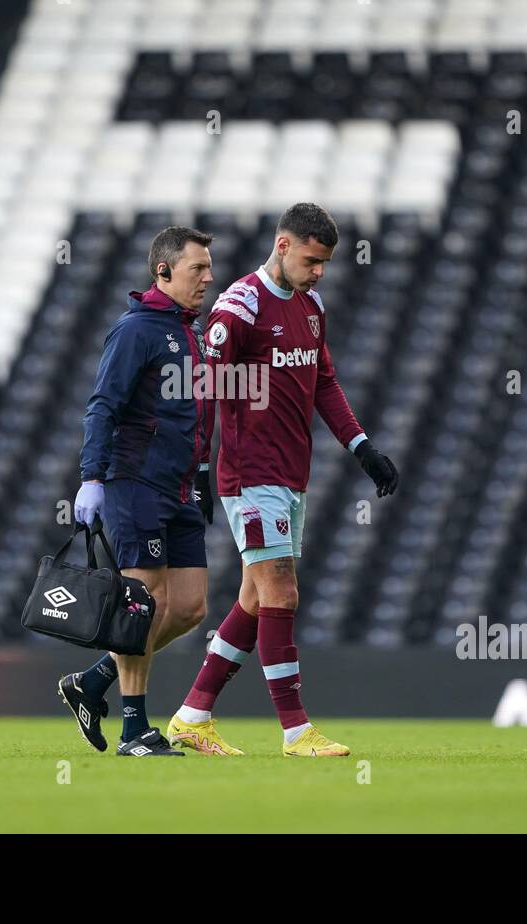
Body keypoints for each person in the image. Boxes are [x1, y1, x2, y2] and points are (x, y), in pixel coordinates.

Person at [166, 202, 399, 757]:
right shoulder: (239, 306)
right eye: (312, 260)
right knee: (281, 591)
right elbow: (205, 386)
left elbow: (324, 382)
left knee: (252, 598)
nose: (319, 272)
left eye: (325, 264)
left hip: (291, 473)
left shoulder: (311, 306)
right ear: (284, 245)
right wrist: (199, 467)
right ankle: (296, 731)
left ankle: (192, 716)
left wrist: (361, 447)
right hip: (251, 473)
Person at [60, 225, 215, 756]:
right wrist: (91, 476)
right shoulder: (136, 330)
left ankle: (92, 681)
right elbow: (103, 404)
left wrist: (201, 474)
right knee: (143, 604)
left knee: (190, 608)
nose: (208, 277)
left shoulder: (190, 331)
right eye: (198, 268)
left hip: (180, 490)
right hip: (136, 484)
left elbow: (192, 415)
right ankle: (134, 731)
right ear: (163, 271)